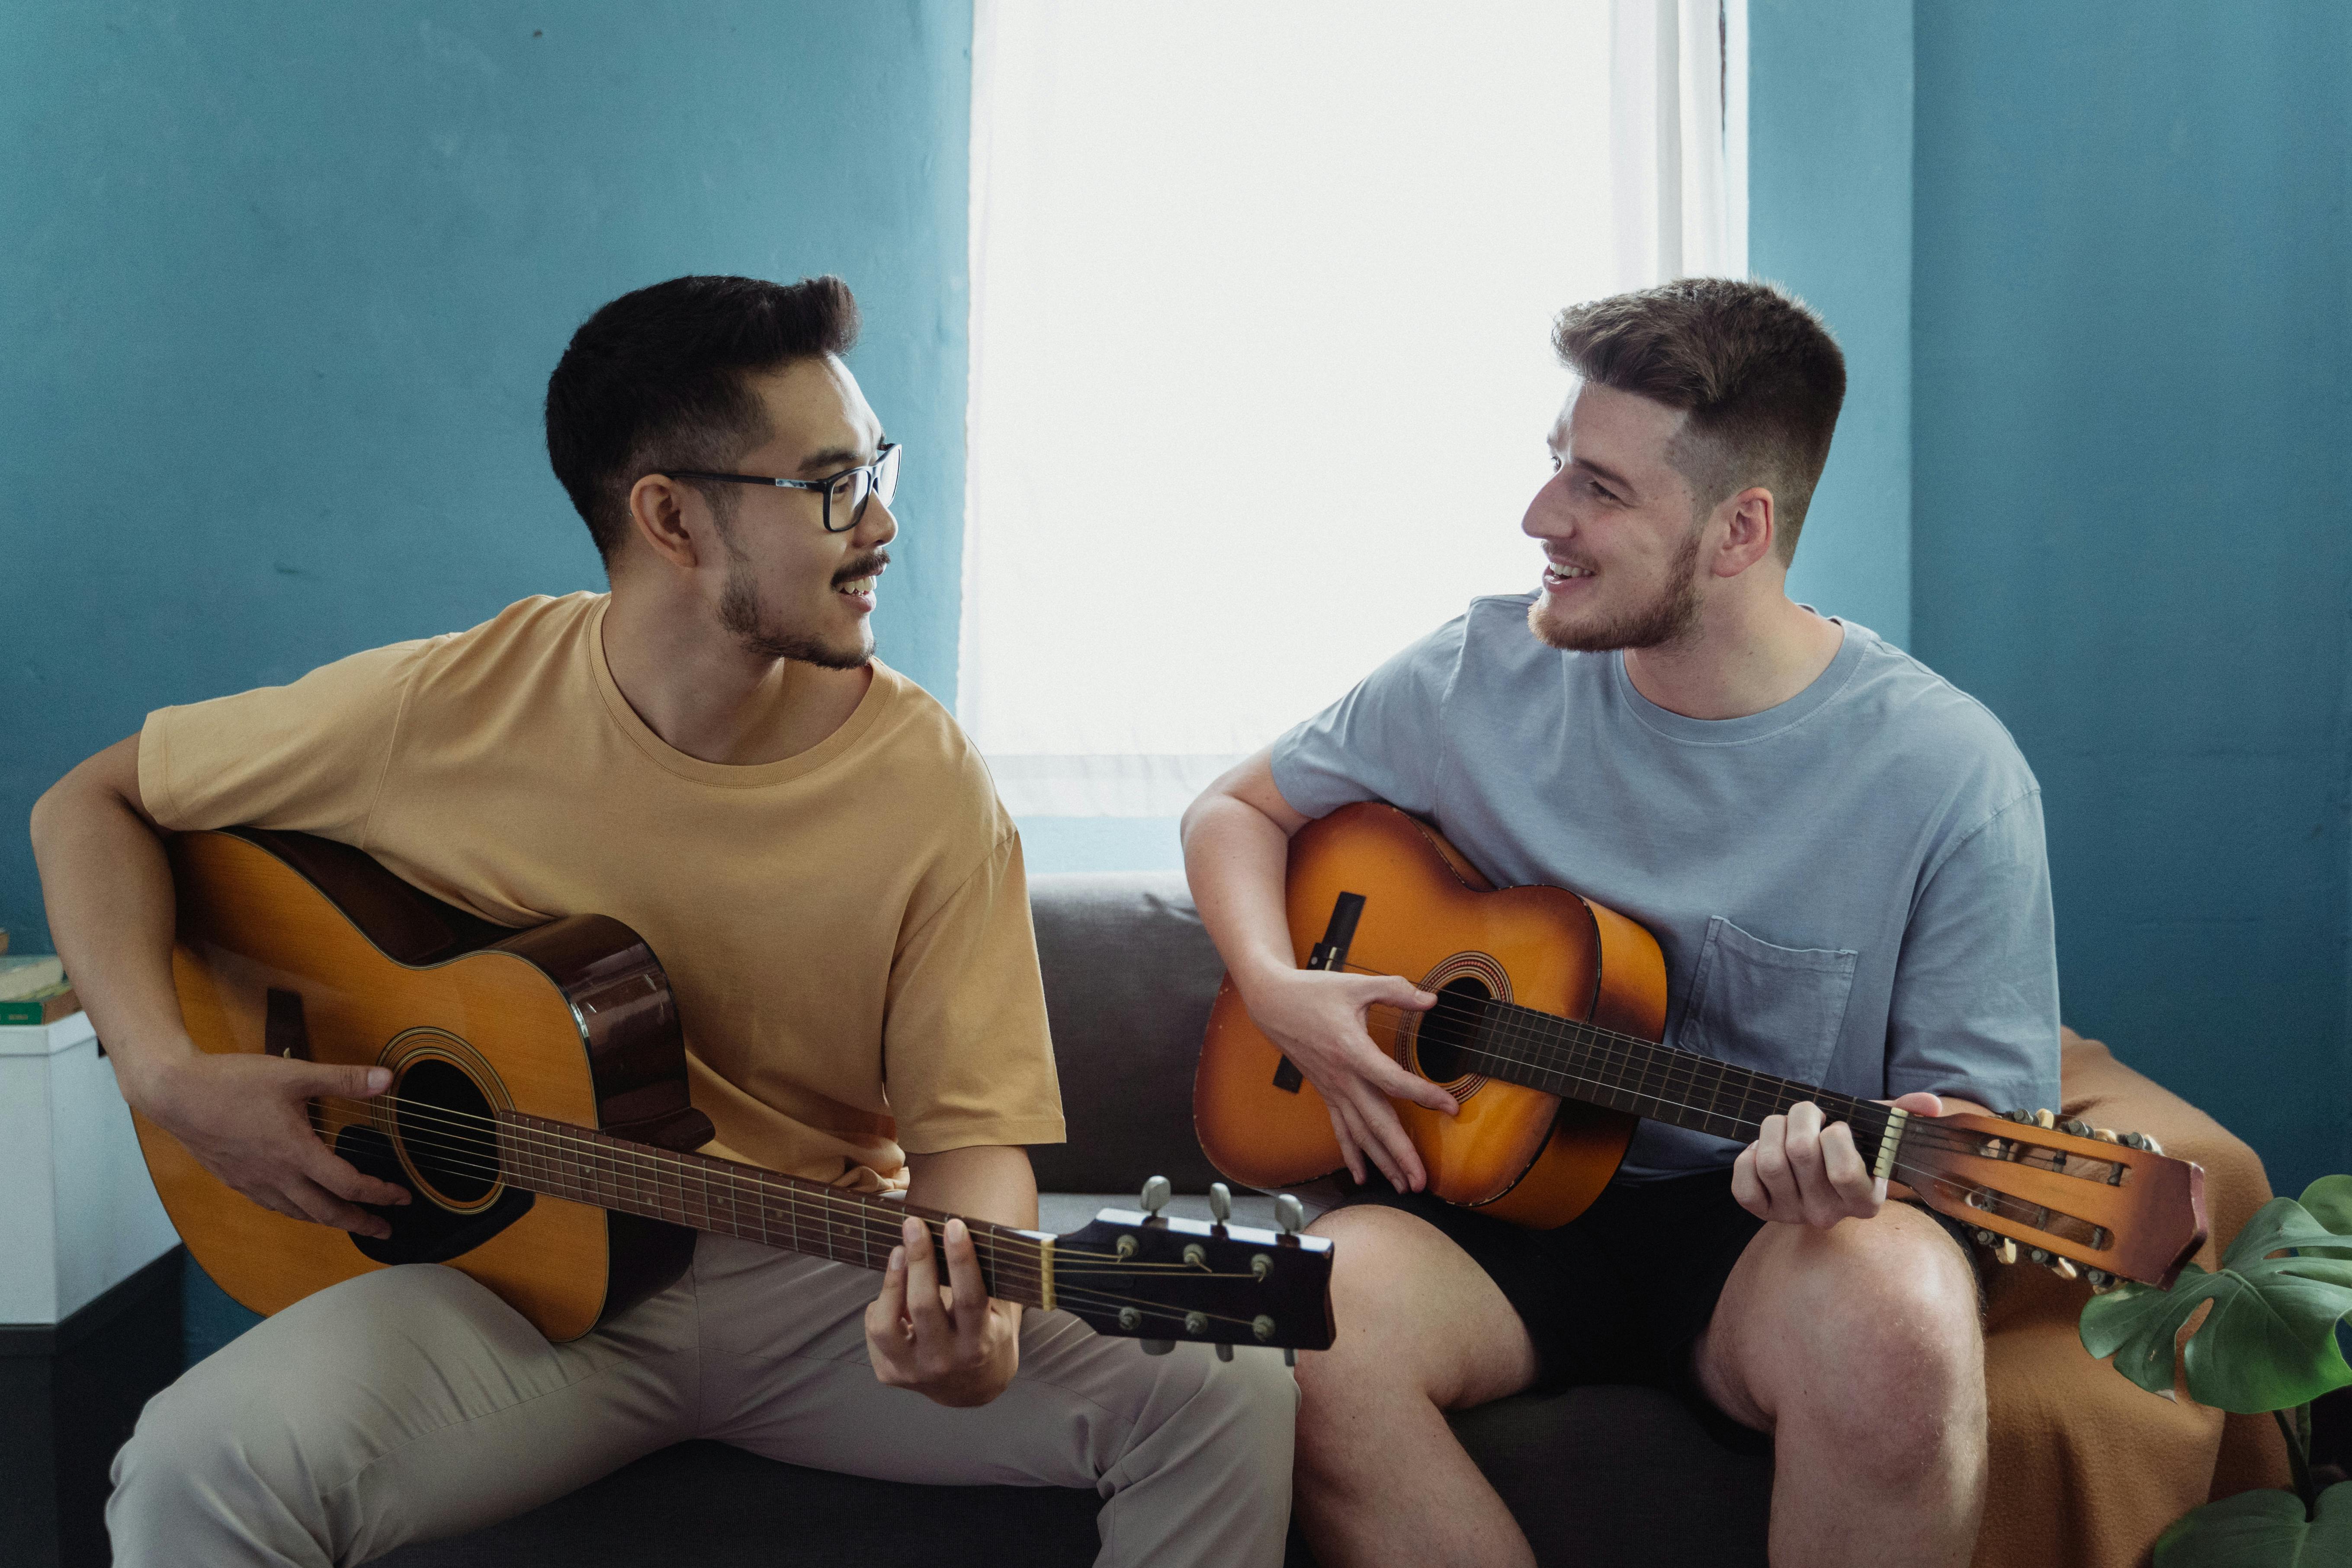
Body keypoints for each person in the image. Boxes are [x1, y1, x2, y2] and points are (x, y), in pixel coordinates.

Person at [32, 273, 1294, 1568]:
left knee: (1225, 1388)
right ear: (672, 520)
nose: (882, 523)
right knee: (193, 1465)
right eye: (831, 485)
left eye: (877, 468)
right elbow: (91, 803)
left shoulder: (926, 782)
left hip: (819, 1275)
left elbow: (971, 1145)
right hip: (506, 1295)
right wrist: (167, 1072)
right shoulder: (451, 704)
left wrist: (977, 1341)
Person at [1182, 278, 2060, 1568]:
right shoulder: (1474, 672)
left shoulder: (1948, 775)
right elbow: (1234, 810)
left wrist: (1867, 1179)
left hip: (1764, 1235)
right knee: (1303, 1320)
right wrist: (1276, 984)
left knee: (1903, 1311)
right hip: (1489, 1203)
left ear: (1738, 530)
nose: (1542, 516)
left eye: (1598, 487)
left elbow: (1982, 1159)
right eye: (1555, 464)